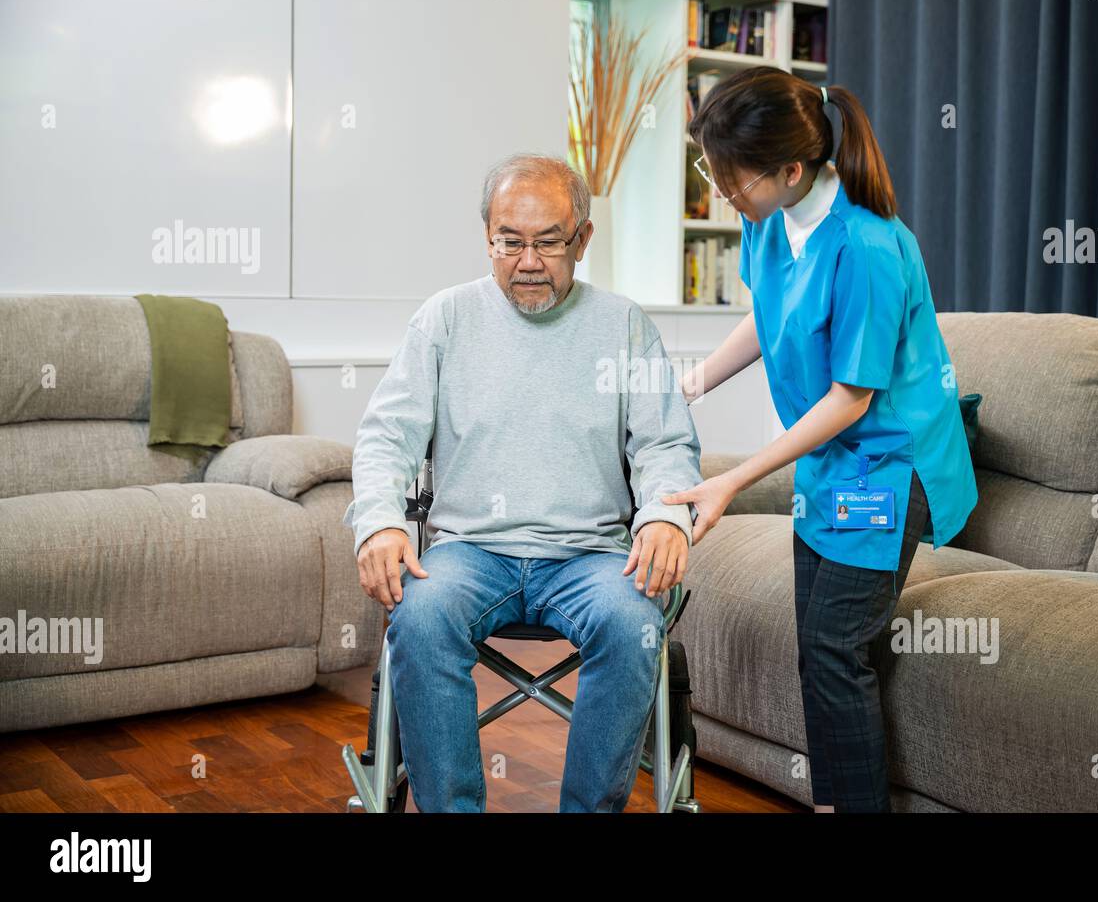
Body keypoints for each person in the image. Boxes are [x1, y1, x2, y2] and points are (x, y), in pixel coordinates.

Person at [343, 153, 702, 812]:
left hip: (591, 557)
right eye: (509, 242)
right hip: (469, 553)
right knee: (417, 620)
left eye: (548, 242)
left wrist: (663, 516)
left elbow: (666, 445)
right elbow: (385, 439)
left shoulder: (624, 325)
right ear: (488, 237)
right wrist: (382, 522)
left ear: (583, 239)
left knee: (632, 626)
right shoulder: (444, 320)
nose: (527, 261)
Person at [666, 67, 977, 813]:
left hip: (887, 470)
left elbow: (851, 397)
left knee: (834, 653)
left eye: (729, 175)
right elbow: (768, 316)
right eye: (710, 167)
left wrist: (731, 481)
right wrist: (691, 384)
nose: (721, 189)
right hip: (832, 468)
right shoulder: (766, 217)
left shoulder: (869, 249)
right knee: (820, 652)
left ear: (791, 169)